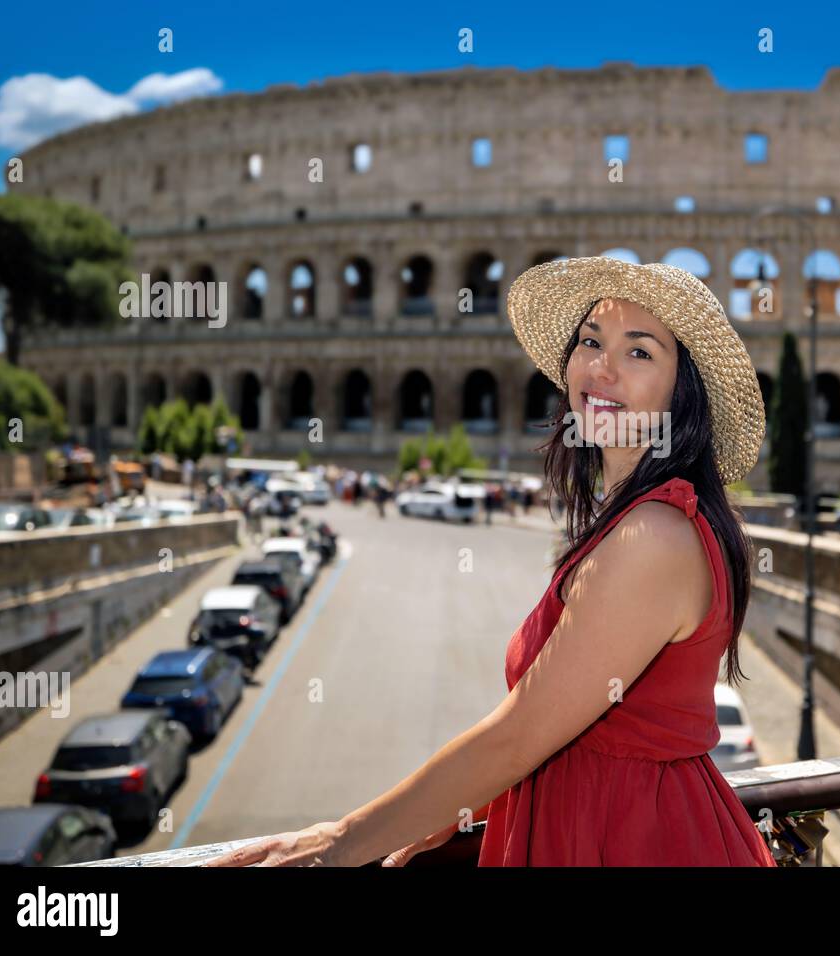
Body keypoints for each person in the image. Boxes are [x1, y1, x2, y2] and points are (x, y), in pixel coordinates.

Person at [203, 256, 776, 868]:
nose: (601, 367)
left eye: (639, 353)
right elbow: (562, 721)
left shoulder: (654, 535)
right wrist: (454, 807)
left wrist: (338, 843)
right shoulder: (646, 518)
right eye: (589, 341)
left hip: (627, 840)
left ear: (681, 392)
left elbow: (518, 735)